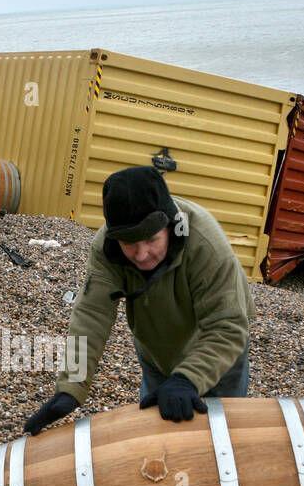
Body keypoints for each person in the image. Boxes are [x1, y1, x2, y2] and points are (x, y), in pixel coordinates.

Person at [23, 165, 256, 435]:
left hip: (217, 351)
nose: (142, 254)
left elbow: (228, 325)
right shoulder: (107, 248)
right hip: (156, 350)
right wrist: (71, 388)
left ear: (168, 225)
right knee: (159, 438)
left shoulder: (206, 244)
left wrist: (187, 379)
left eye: (151, 240)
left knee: (220, 435)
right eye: (129, 244)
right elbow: (91, 316)